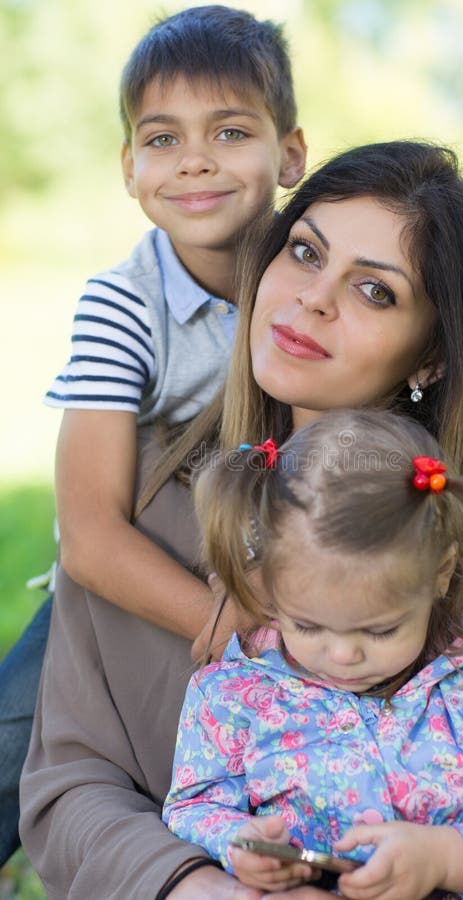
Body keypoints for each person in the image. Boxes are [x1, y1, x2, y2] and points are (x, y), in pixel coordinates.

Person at [20, 141, 463, 899]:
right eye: (304, 252)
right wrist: (207, 889)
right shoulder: (135, 500)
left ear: (432, 357)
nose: (312, 299)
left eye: (375, 292)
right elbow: (70, 788)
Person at [0, 3, 306, 869]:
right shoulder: (124, 303)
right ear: (129, 167)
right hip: (129, 589)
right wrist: (227, 619)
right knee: (18, 727)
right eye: (162, 139)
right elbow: (90, 534)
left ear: (290, 154)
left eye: (232, 130)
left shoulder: (309, 279)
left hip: (275, 566)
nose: (195, 159)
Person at [163, 409, 463, 898]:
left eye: (381, 630)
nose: (344, 654)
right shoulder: (234, 694)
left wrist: (443, 858)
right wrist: (238, 841)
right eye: (307, 625)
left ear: (441, 572)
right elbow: (194, 805)